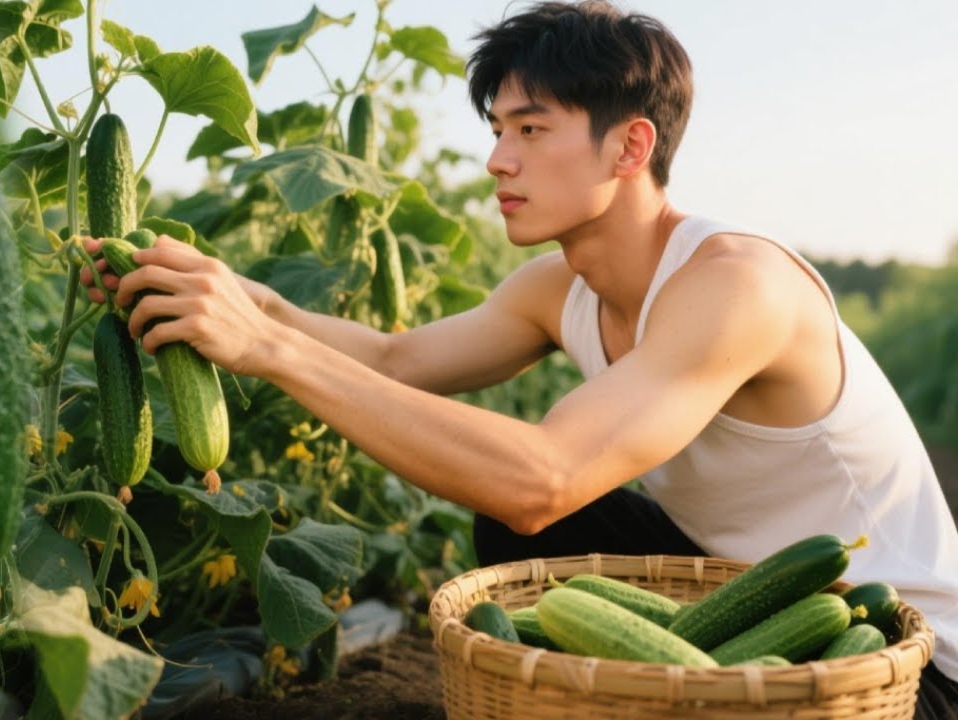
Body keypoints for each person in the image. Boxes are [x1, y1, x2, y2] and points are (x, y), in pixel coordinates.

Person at [80, 1, 957, 714]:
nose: (499, 160)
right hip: (736, 610)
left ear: (631, 145)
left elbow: (542, 480)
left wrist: (266, 347)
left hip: (891, 665)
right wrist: (233, 296)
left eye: (531, 130)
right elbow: (393, 359)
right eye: (498, 128)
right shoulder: (558, 286)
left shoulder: (738, 285)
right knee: (514, 531)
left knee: (527, 504)